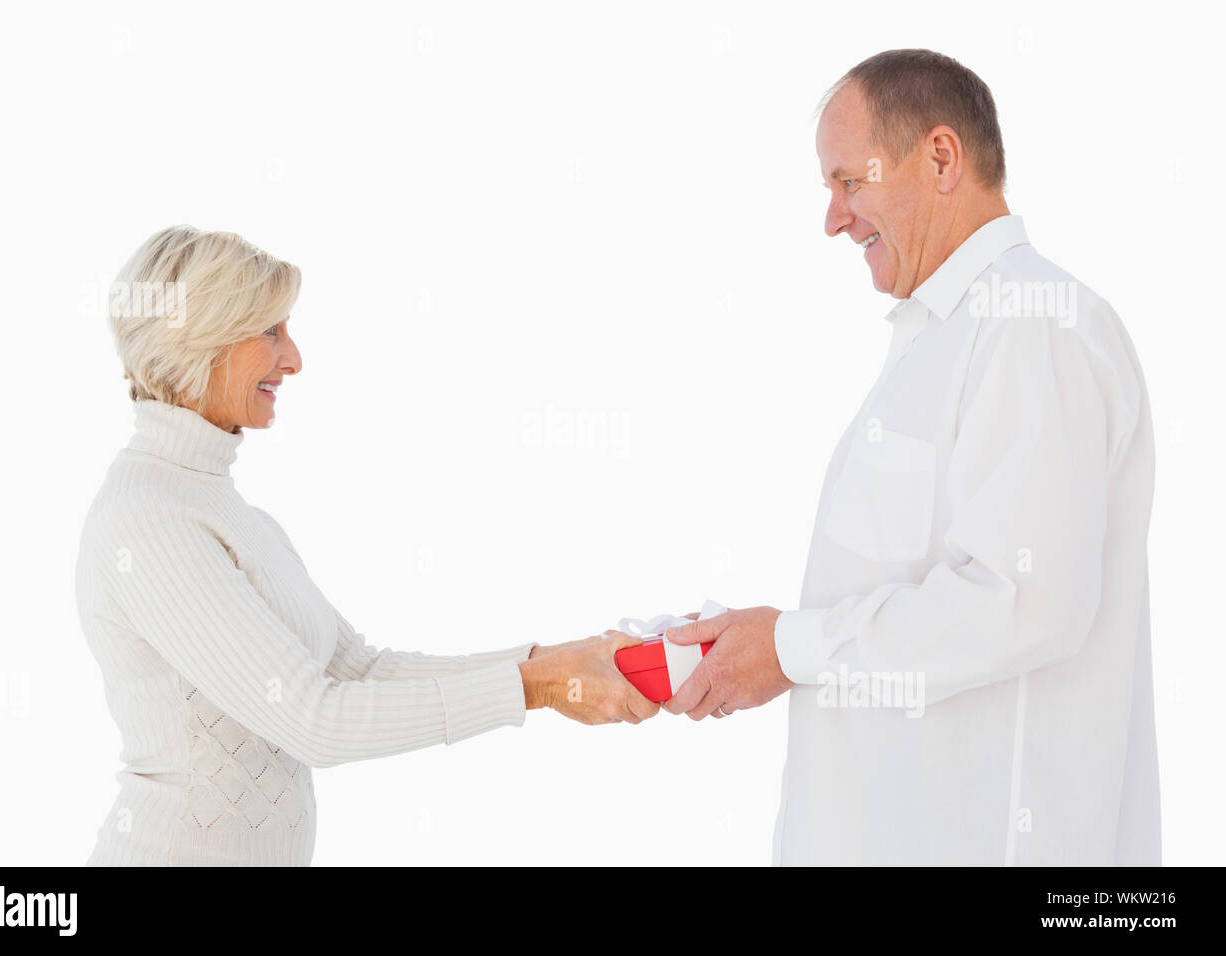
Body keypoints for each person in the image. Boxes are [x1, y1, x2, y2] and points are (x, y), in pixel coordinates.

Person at [659, 49, 1159, 866]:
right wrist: (768, 646)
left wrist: (787, 647)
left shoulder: (1034, 327)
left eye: (848, 182)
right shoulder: (950, 338)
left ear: (939, 157)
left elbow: (1025, 601)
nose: (833, 218)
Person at [77, 225, 658, 866]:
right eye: (270, 331)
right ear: (201, 340)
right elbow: (313, 721)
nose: (294, 358)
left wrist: (552, 659)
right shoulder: (150, 522)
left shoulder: (232, 514)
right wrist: (535, 685)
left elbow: (357, 670)